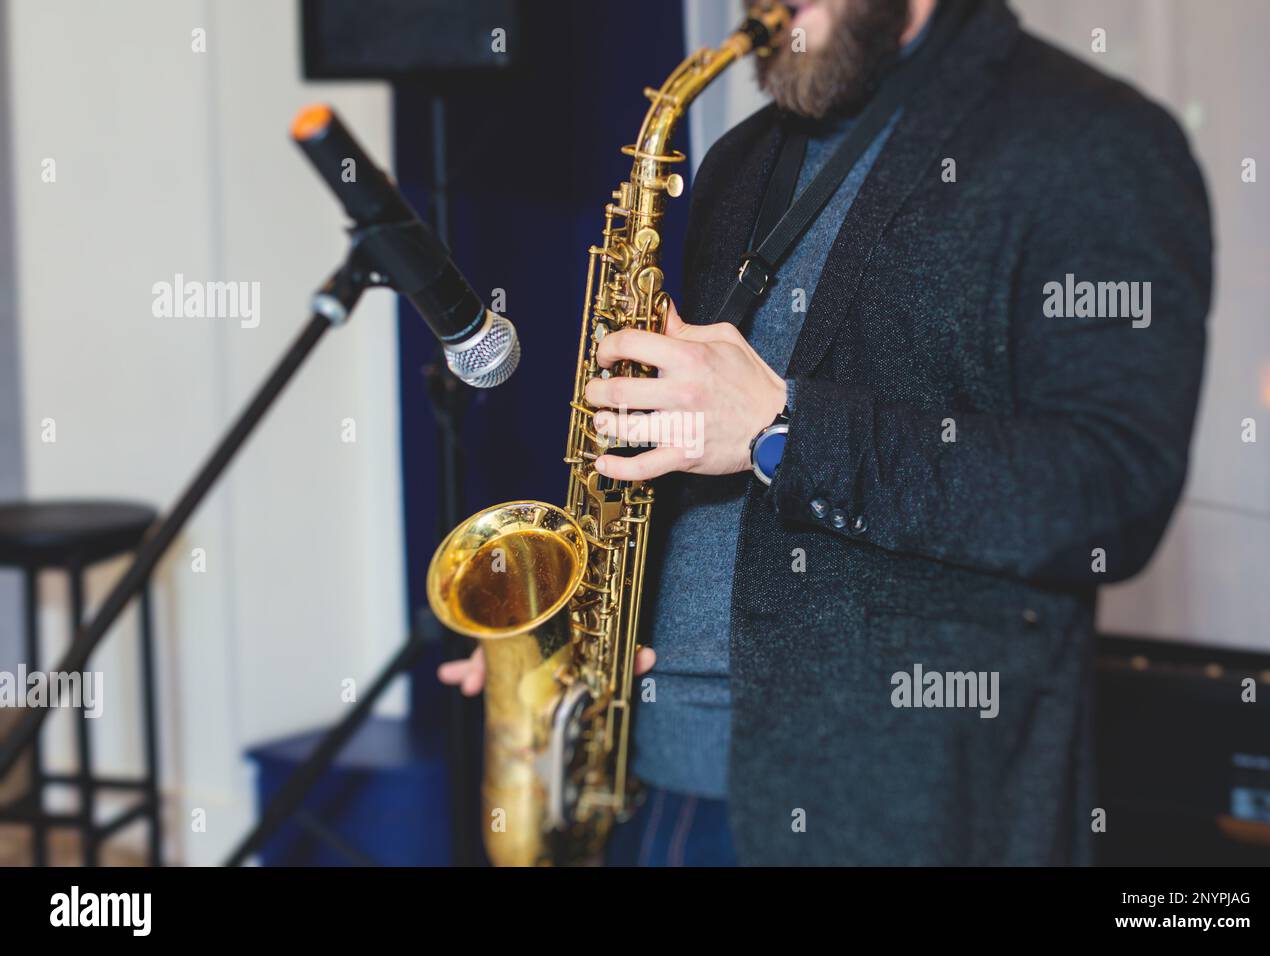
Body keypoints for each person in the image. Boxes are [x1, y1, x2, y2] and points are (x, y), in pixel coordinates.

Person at [442, 0, 1212, 866]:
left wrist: (783, 429)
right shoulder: (742, 158)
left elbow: (1112, 493)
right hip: (654, 788)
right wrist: (566, 643)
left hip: (896, 812)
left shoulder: (1092, 142)